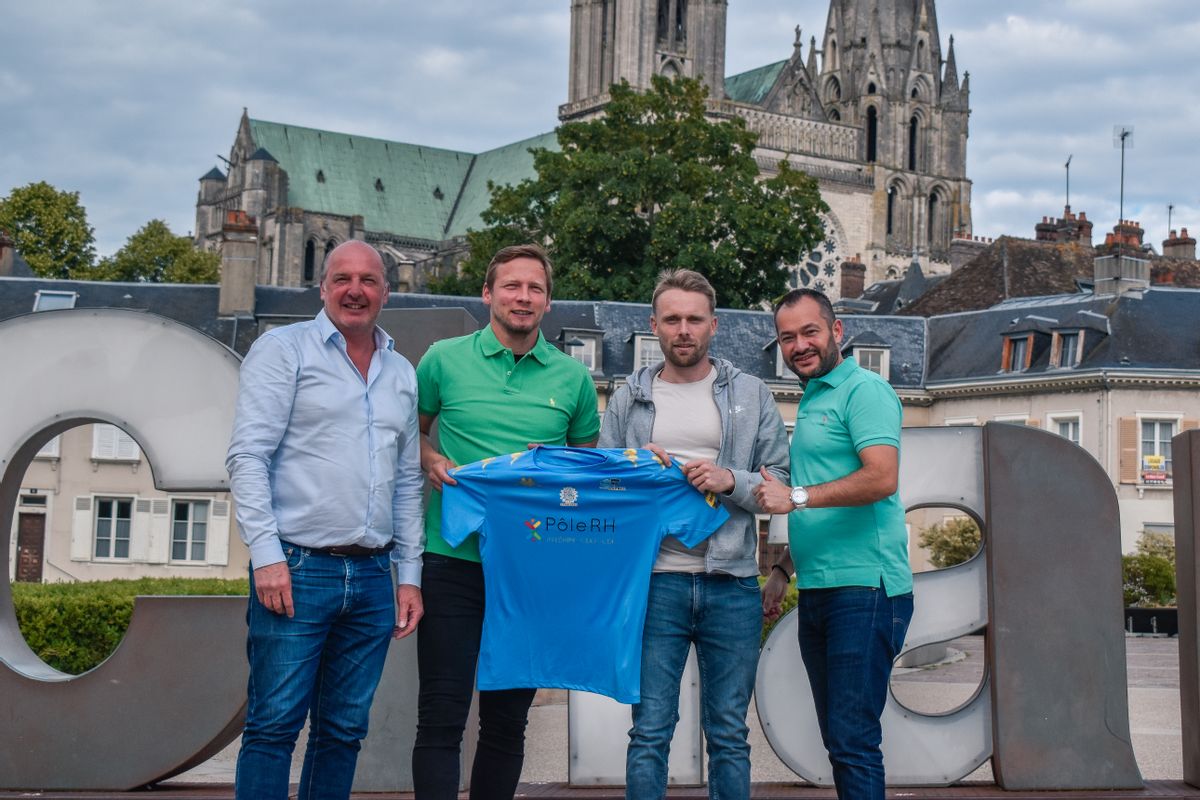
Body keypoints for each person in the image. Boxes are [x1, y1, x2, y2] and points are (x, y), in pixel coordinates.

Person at [225, 240, 425, 800]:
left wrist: (409, 576)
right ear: (322, 287)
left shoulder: (400, 370)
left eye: (367, 280)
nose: (354, 290)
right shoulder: (283, 350)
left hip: (371, 578)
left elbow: (407, 480)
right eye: (342, 279)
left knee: (342, 732)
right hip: (297, 568)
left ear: (386, 291)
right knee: (273, 726)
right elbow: (247, 457)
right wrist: (266, 558)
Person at [412, 243, 600, 799]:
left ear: (547, 302)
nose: (523, 297)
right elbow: (411, 434)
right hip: (451, 560)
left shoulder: (574, 380)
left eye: (535, 288)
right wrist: (430, 457)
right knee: (441, 716)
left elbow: (583, 476)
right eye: (512, 286)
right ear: (487, 293)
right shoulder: (442, 360)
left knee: (506, 722)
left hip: (532, 571)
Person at [598, 269, 790, 799]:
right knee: (649, 732)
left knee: (729, 733)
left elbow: (783, 483)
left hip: (732, 583)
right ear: (653, 325)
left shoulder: (751, 394)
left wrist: (732, 479)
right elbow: (605, 489)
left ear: (714, 325)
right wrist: (640, 469)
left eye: (694, 319)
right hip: (653, 583)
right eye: (673, 319)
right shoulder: (626, 399)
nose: (684, 329)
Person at [754, 288, 913, 800]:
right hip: (823, 590)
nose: (799, 345)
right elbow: (825, 496)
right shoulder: (815, 396)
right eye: (787, 337)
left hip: (865, 589)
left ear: (836, 331)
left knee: (853, 740)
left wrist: (794, 496)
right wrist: (783, 570)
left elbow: (881, 478)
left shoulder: (864, 390)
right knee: (838, 739)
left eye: (809, 332)